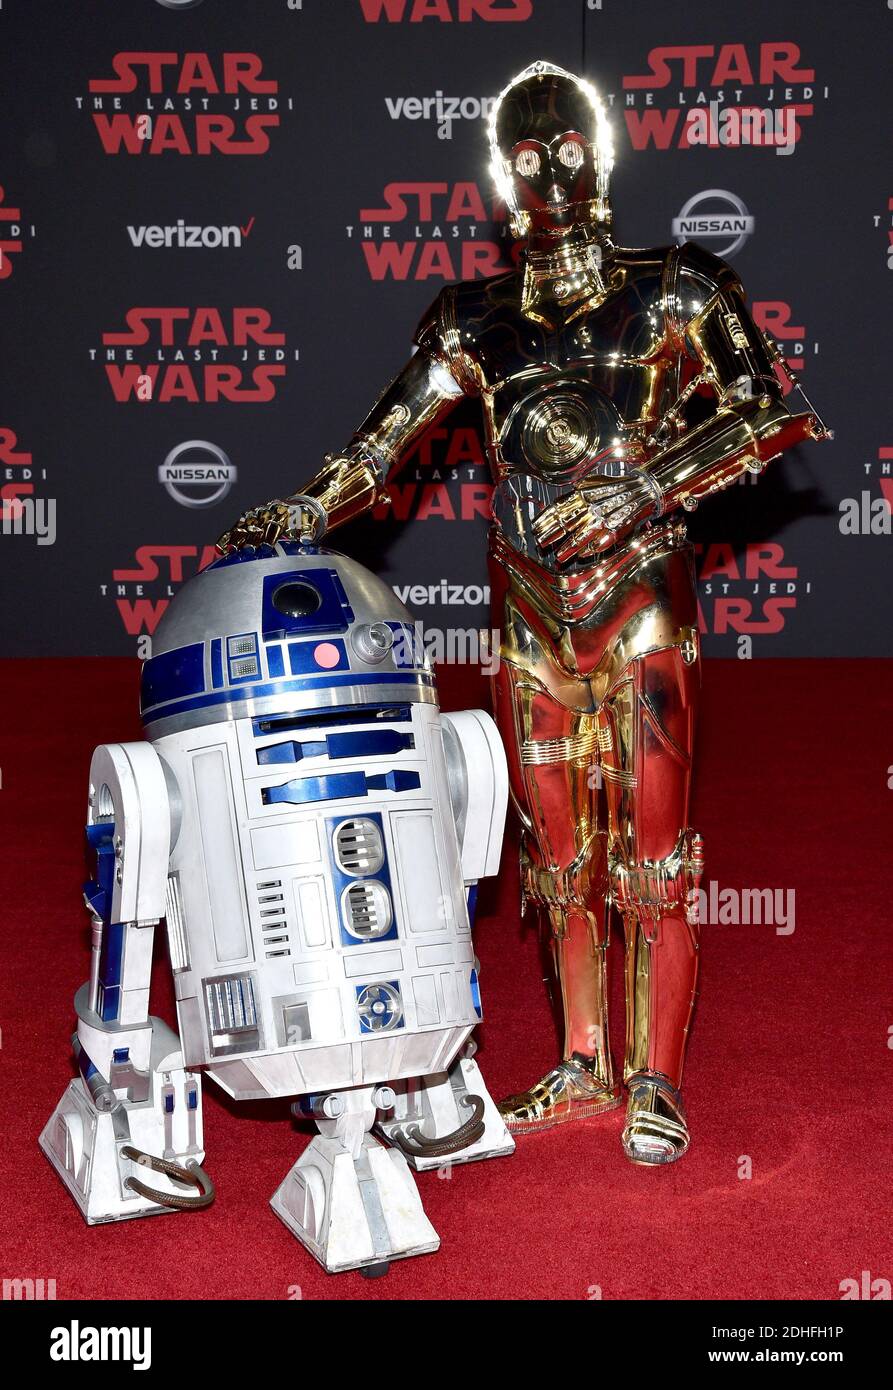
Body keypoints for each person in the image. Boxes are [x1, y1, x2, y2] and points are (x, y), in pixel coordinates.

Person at [218, 61, 826, 1165]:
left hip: (638, 598)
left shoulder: (677, 288)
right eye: (527, 154)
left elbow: (771, 407)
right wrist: (306, 505)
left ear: (603, 154)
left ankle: (656, 1079)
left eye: (567, 147)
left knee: (649, 858)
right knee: (551, 862)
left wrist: (646, 487)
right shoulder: (472, 320)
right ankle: (584, 1059)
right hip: (528, 613)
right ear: (501, 175)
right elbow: (382, 444)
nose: (550, 172)